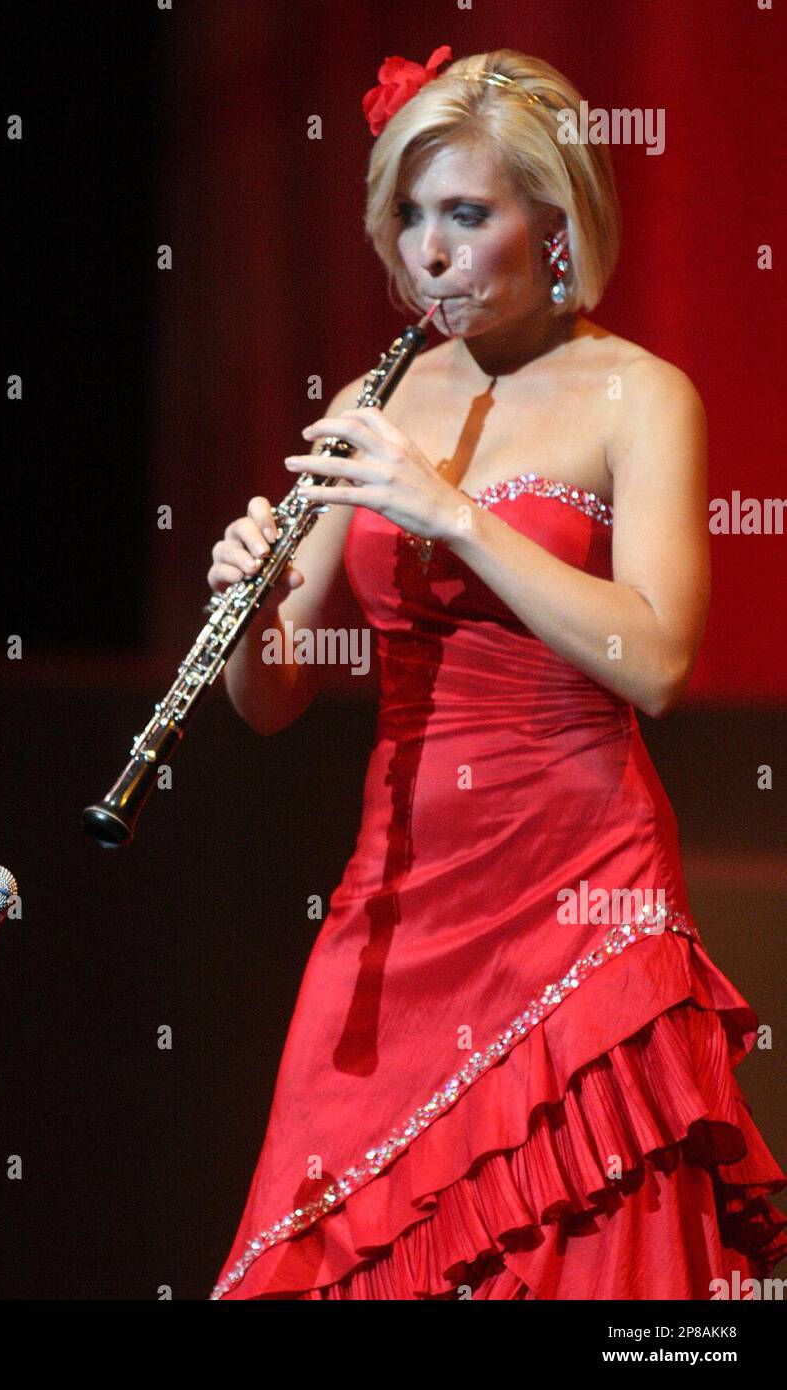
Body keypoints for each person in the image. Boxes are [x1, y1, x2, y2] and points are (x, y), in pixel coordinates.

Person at [206, 46, 787, 1300]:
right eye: (408, 217)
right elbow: (273, 699)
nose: (428, 249)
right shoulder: (380, 398)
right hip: (400, 896)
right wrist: (247, 608)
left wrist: (459, 515)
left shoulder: (640, 394)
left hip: (586, 888)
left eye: (466, 214)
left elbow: (663, 659)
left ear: (556, 221)